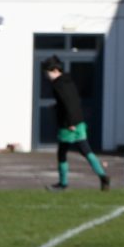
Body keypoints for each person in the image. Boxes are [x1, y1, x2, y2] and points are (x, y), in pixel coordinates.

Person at [43, 56, 109, 192]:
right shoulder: (68, 81)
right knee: (86, 150)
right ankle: (103, 176)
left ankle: (63, 183)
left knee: (62, 153)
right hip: (78, 122)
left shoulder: (58, 85)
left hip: (69, 125)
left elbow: (69, 103)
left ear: (55, 70)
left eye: (47, 72)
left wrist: (70, 122)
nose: (46, 75)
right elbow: (74, 101)